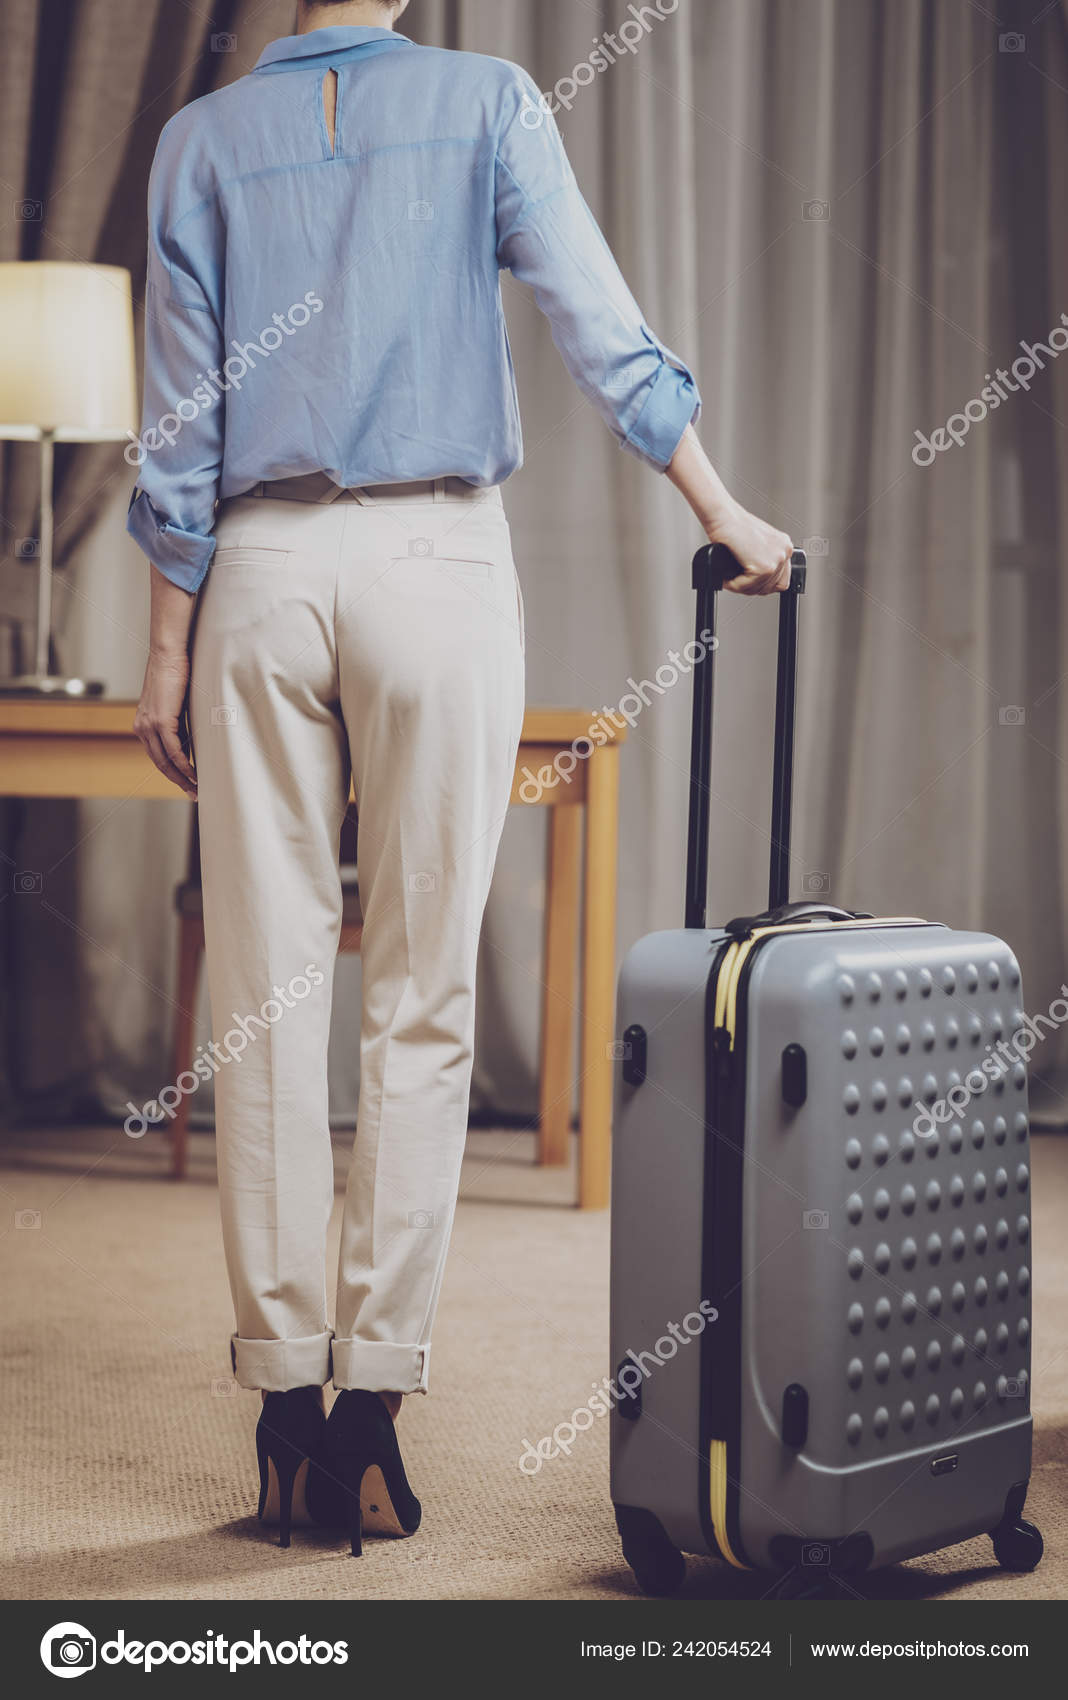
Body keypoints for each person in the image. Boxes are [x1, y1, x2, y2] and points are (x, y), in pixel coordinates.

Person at [130, 0, 793, 1555]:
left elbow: (181, 421)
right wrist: (721, 508)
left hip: (257, 572)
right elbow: (600, 326)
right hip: (435, 556)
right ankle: (370, 1410)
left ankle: (282, 1408)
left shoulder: (197, 141)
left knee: (264, 996)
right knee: (422, 996)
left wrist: (164, 648)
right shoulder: (488, 101)